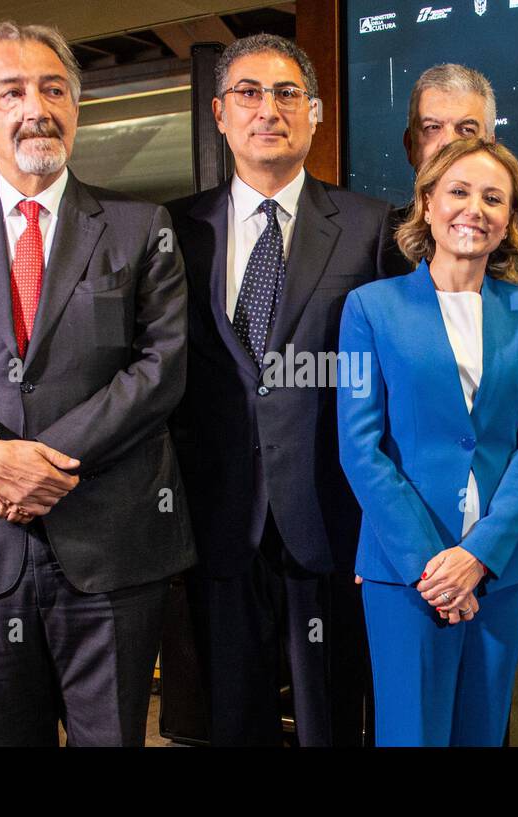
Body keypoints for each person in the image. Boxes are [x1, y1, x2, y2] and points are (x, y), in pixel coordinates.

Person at [0, 20, 195, 747]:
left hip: (112, 545)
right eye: (11, 91)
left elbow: (160, 366)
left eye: (54, 89)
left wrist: (39, 463)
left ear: (77, 108)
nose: (36, 107)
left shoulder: (142, 227)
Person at [166, 33, 399, 746]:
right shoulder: (172, 230)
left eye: (287, 93)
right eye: (249, 93)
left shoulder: (371, 227)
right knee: (231, 722)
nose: (268, 109)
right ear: (220, 112)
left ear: (317, 112)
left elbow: (395, 380)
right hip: (215, 521)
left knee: (331, 720)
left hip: (330, 518)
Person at [338, 137, 518, 746]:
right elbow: (360, 447)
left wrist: (478, 555)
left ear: (510, 219)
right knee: (411, 734)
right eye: (458, 192)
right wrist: (430, 567)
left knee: (482, 735)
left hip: (499, 568)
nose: (475, 209)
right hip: (406, 570)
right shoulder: (368, 309)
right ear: (427, 204)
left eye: (494, 198)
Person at [397, 63, 518, 233]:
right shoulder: (378, 241)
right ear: (409, 146)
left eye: (467, 130)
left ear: (491, 148)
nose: (449, 143)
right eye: (433, 127)